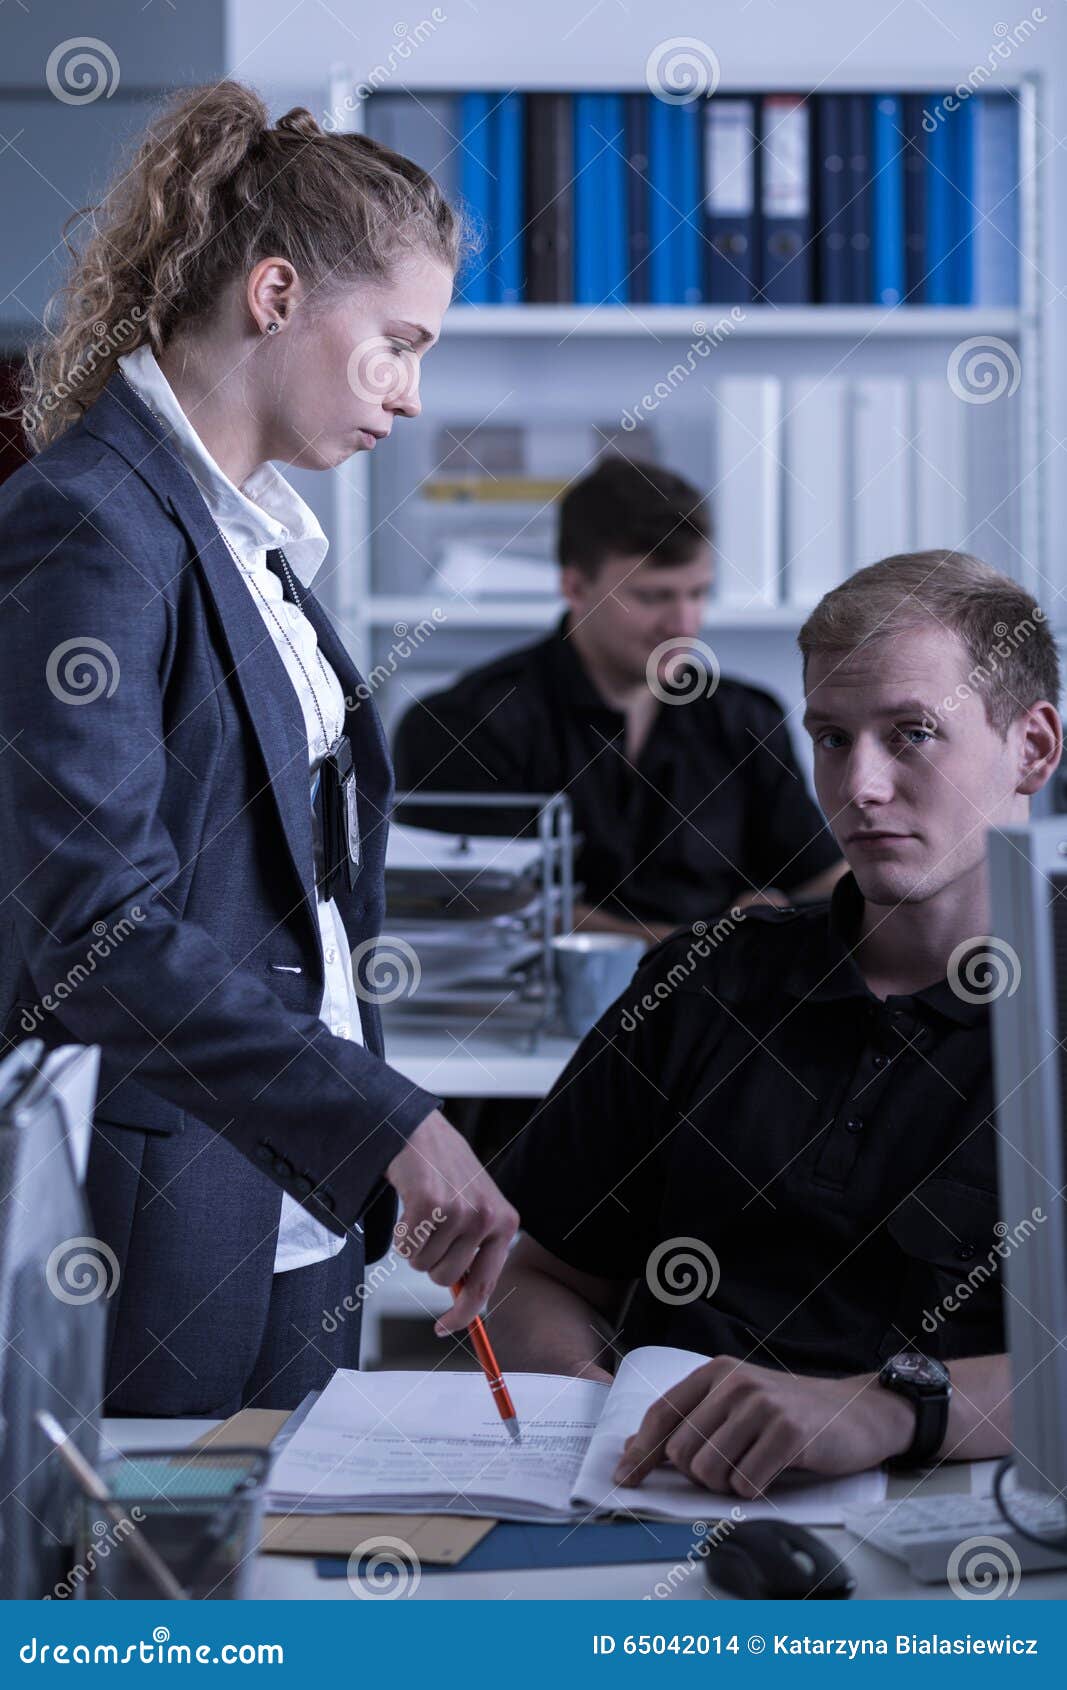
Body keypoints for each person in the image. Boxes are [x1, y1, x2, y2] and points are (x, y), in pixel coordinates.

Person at [0, 82, 516, 1417]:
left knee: (284, 1599)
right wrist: (386, 1117)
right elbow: (98, 931)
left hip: (293, 1196)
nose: (409, 397)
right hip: (155, 1210)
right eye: (396, 342)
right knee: (142, 1620)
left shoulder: (252, 538)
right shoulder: (89, 524)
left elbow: (300, 913)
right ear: (277, 293)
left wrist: (361, 1127)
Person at [487, 550, 1061, 1498]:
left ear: (1032, 748)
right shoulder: (702, 981)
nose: (860, 787)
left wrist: (881, 1411)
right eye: (831, 738)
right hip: (658, 1504)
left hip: (962, 1529)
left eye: (911, 733)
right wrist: (593, 1414)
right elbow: (540, 1276)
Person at [393, 456, 845, 944]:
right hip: (528, 1013)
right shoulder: (461, 726)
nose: (684, 624)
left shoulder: (746, 719)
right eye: (654, 597)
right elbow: (488, 908)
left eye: (698, 593)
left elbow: (817, 878)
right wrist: (700, 948)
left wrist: (787, 917)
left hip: (722, 1012)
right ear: (574, 586)